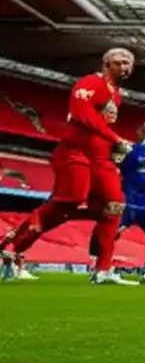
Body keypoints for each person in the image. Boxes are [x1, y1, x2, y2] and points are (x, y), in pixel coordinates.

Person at [0, 49, 137, 285]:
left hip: (101, 159)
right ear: (106, 63)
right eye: (120, 62)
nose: (125, 66)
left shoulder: (117, 95)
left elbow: (100, 127)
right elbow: (81, 113)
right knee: (71, 200)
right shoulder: (91, 82)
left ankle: (102, 270)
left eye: (129, 63)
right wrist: (115, 138)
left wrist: (115, 149)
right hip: (75, 154)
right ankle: (12, 248)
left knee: (114, 206)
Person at [97, 117, 145, 284]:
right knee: (110, 233)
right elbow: (115, 166)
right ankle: (100, 267)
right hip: (128, 199)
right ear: (143, 131)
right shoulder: (131, 149)